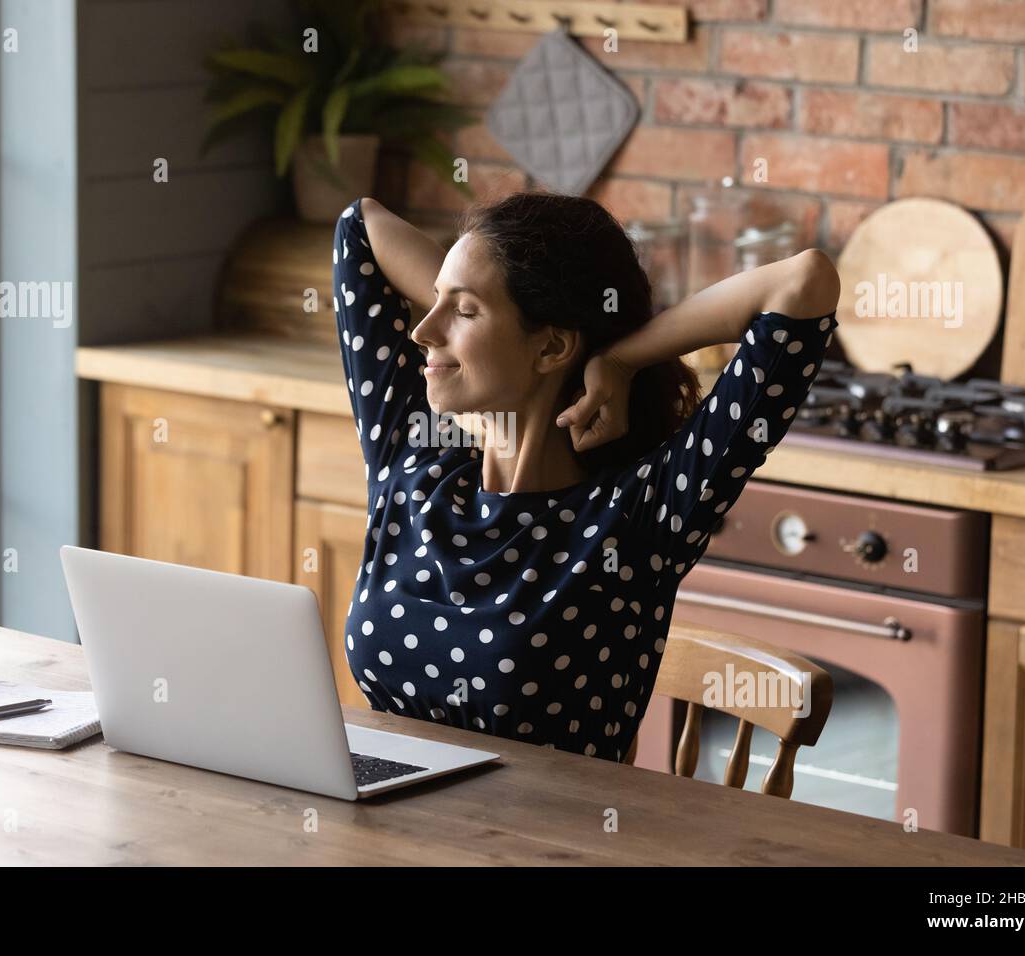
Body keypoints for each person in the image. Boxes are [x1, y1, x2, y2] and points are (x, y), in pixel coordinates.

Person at [331, 192, 839, 761]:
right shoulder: (412, 466)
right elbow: (361, 227)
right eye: (436, 300)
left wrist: (622, 358)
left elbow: (804, 283)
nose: (424, 329)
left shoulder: (641, 514)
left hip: (551, 844)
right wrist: (468, 297)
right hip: (394, 834)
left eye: (464, 311)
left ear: (551, 345)